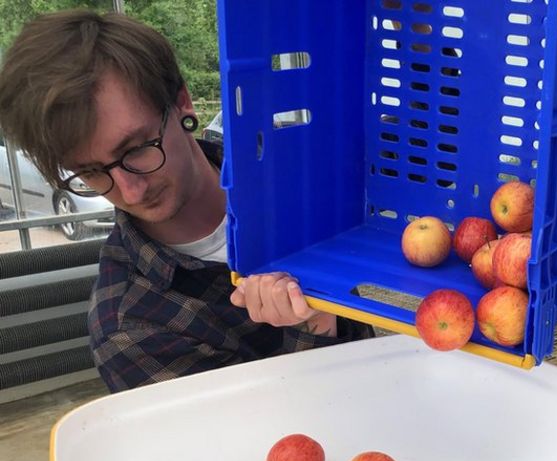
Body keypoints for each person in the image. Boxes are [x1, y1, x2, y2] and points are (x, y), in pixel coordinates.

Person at [0, 10, 373, 392]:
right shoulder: (131, 329)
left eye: (137, 148)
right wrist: (311, 325)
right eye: (92, 172)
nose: (130, 191)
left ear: (182, 102)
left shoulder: (295, 175)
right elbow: (251, 444)